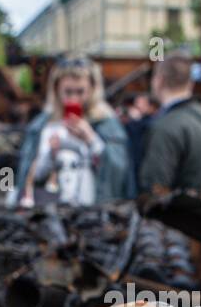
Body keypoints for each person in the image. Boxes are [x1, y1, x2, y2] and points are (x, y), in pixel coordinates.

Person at [13, 56, 132, 207]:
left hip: (92, 208)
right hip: (51, 206)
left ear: (92, 90)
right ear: (56, 89)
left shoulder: (106, 122)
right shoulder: (43, 125)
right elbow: (31, 174)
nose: (74, 99)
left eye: (80, 92)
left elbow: (118, 170)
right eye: (68, 92)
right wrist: (50, 153)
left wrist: (91, 139)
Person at [137, 52, 201, 195]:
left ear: (158, 80)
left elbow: (155, 190)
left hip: (178, 214)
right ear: (191, 83)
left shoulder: (166, 126)